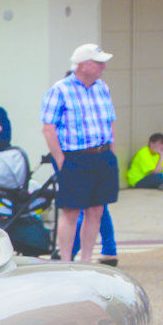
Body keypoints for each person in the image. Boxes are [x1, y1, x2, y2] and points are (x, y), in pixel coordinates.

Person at [42, 44, 120, 264]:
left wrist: (112, 153)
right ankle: (66, 260)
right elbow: (48, 128)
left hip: (102, 155)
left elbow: (110, 122)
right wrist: (60, 159)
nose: (103, 66)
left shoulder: (102, 87)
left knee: (96, 210)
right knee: (71, 211)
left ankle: (86, 261)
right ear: (83, 65)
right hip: (75, 157)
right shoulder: (60, 90)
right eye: (98, 63)